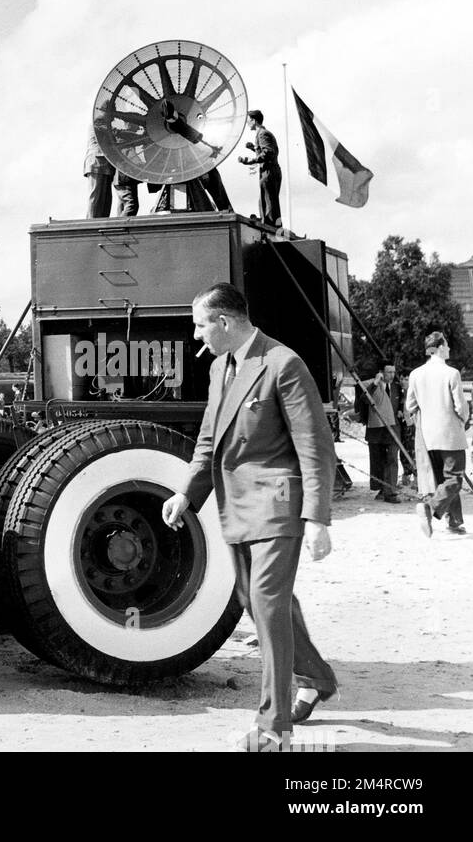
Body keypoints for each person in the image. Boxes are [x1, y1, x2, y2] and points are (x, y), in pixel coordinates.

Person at [162, 283, 336, 750]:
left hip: (278, 506)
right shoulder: (220, 366)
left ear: (224, 322)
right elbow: (208, 440)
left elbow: (315, 448)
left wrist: (317, 519)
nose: (196, 335)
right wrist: (186, 493)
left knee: (269, 604)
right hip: (235, 505)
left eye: (200, 325)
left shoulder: (284, 364)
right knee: (255, 601)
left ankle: (273, 727)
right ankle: (316, 677)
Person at [406, 331, 469, 537]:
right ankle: (429, 507)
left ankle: (455, 522)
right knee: (454, 480)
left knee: (443, 481)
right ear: (440, 347)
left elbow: (410, 405)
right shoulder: (452, 373)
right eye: (447, 345)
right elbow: (461, 407)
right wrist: (463, 420)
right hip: (450, 436)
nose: (449, 349)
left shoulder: (415, 374)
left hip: (428, 438)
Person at [354, 366, 401, 502]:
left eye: (393, 372)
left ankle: (390, 492)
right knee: (377, 459)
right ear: (381, 373)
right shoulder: (372, 385)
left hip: (393, 427)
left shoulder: (397, 387)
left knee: (392, 457)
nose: (392, 375)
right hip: (376, 427)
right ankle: (381, 489)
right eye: (389, 372)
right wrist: (375, 383)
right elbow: (364, 398)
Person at [238, 110, 282, 228]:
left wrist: (250, 161)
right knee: (266, 202)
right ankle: (271, 226)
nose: (247, 122)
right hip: (269, 171)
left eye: (248, 119)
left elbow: (268, 153)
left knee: (269, 203)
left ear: (253, 120)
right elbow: (265, 151)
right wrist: (254, 149)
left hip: (269, 171)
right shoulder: (262, 134)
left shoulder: (262, 134)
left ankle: (271, 228)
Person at [84, 126, 116, 218]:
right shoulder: (97, 124)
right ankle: (91, 226)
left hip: (106, 165)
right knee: (96, 198)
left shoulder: (106, 125)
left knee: (105, 201)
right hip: (96, 162)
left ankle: (101, 225)